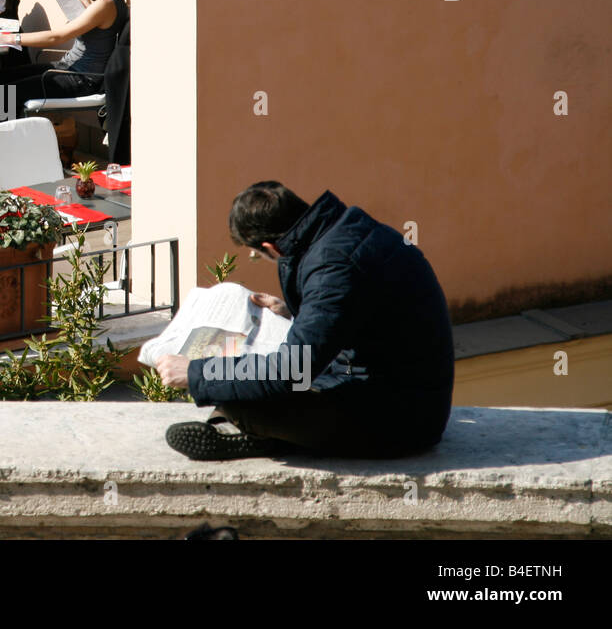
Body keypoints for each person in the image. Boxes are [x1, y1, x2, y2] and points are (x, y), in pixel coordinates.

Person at [157, 181, 455, 461]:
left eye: (256, 254)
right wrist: (293, 313)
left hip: (400, 421)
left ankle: (247, 428)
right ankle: (246, 429)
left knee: (241, 398)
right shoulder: (344, 233)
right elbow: (355, 316)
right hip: (396, 394)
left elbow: (292, 371)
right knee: (244, 380)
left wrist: (196, 372)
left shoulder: (332, 268)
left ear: (271, 248)